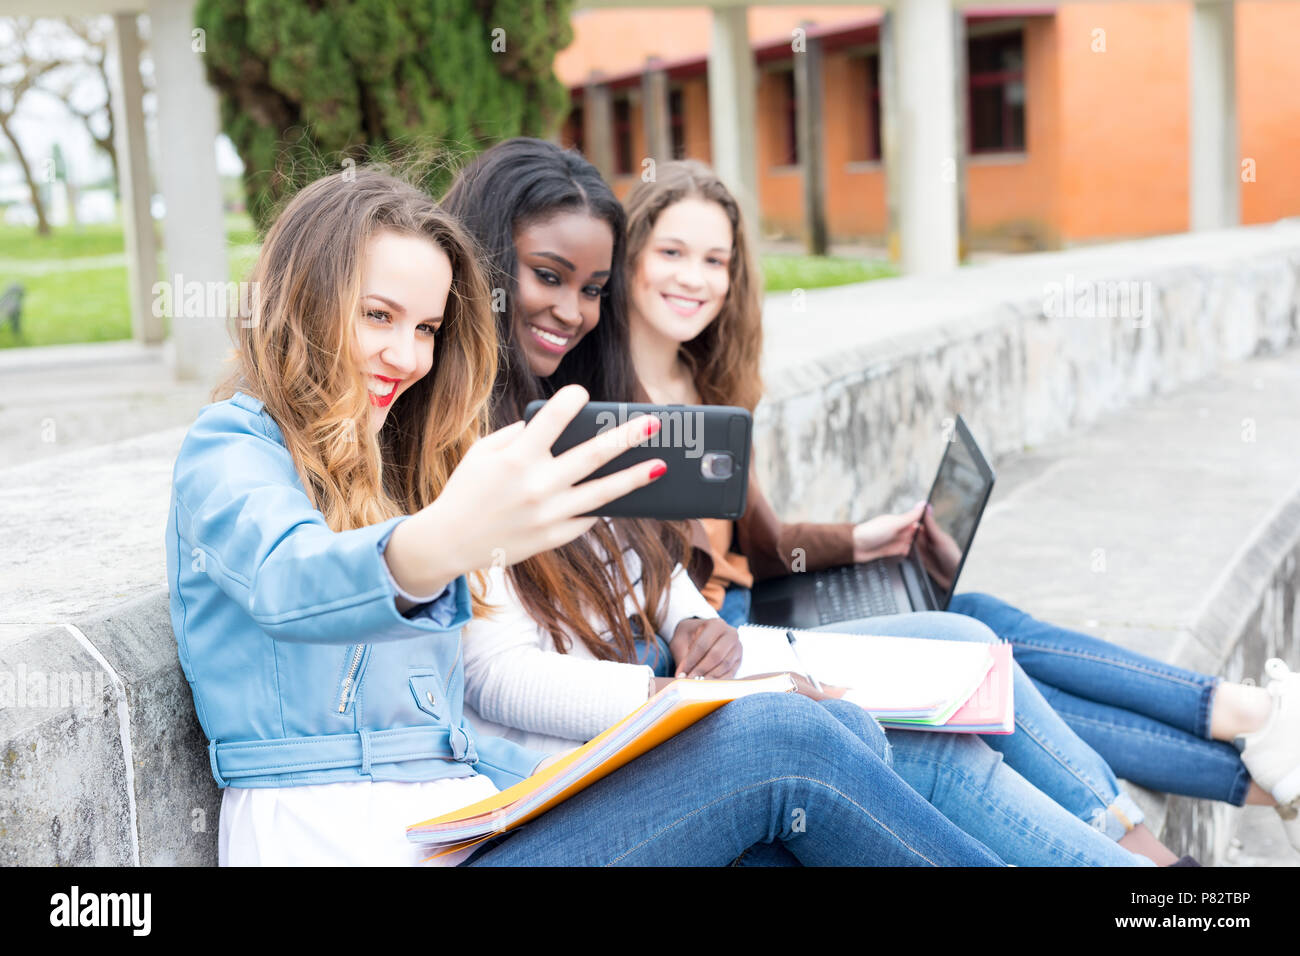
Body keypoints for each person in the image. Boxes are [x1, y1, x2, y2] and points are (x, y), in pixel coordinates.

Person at [164, 164, 1013, 867]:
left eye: (425, 328)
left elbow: (458, 733)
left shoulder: (394, 458)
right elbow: (292, 582)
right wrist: (448, 539)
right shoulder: (232, 452)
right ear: (303, 302)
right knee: (785, 740)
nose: (407, 355)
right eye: (377, 317)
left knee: (823, 752)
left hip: (472, 822)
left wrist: (646, 736)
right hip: (346, 847)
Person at [444, 137, 1157, 866]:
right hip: (594, 741)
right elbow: (497, 675)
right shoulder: (463, 442)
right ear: (488, 268)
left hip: (672, 668)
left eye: (592, 289)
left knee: (970, 645)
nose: (573, 310)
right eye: (547, 277)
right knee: (900, 718)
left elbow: (647, 562)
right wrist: (686, 694)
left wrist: (691, 621)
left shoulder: (584, 400)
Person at [617, 157, 1300, 854]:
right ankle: (1219, 765)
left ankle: (1240, 741)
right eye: (671, 252)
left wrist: (865, 542)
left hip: (762, 598)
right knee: (974, 663)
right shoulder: (606, 401)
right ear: (631, 252)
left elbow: (759, 542)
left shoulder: (708, 377)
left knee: (981, 619)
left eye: (714, 259)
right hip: (725, 634)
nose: (693, 278)